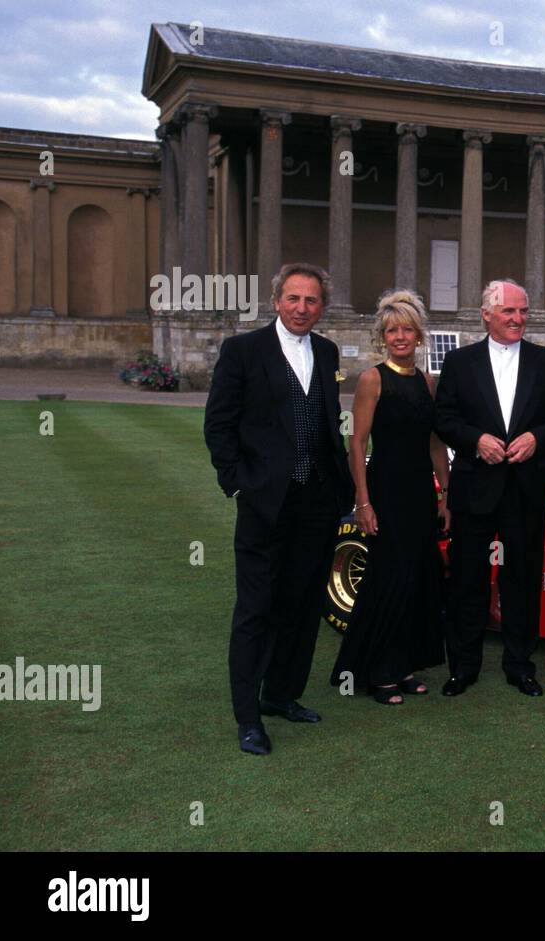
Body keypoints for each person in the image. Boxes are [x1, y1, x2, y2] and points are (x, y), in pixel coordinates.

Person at [204, 262, 355, 756]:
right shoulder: (243, 351)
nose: (301, 308)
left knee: (302, 604)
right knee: (256, 609)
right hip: (264, 504)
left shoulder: (328, 351)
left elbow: (329, 422)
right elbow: (219, 426)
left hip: (317, 501)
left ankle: (282, 695)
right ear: (276, 301)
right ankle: (248, 717)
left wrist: (340, 490)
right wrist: (238, 485)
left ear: (321, 307)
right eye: (293, 298)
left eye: (311, 301)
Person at [434, 279, 545, 697]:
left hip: (526, 489)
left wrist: (537, 439)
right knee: (468, 579)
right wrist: (475, 440)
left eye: (523, 311)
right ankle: (464, 666)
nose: (518, 319)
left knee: (523, 581)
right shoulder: (459, 362)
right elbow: (443, 418)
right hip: (474, 488)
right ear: (486, 314)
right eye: (509, 311)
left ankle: (520, 664)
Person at [329, 290, 451, 705]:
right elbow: (357, 443)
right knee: (389, 578)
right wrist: (362, 502)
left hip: (420, 492)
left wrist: (445, 495)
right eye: (392, 330)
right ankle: (377, 670)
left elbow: (436, 444)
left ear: (419, 336)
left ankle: (404, 666)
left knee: (417, 578)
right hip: (384, 490)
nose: (400, 336)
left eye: (407, 330)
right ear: (383, 336)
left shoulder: (428, 382)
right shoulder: (372, 379)